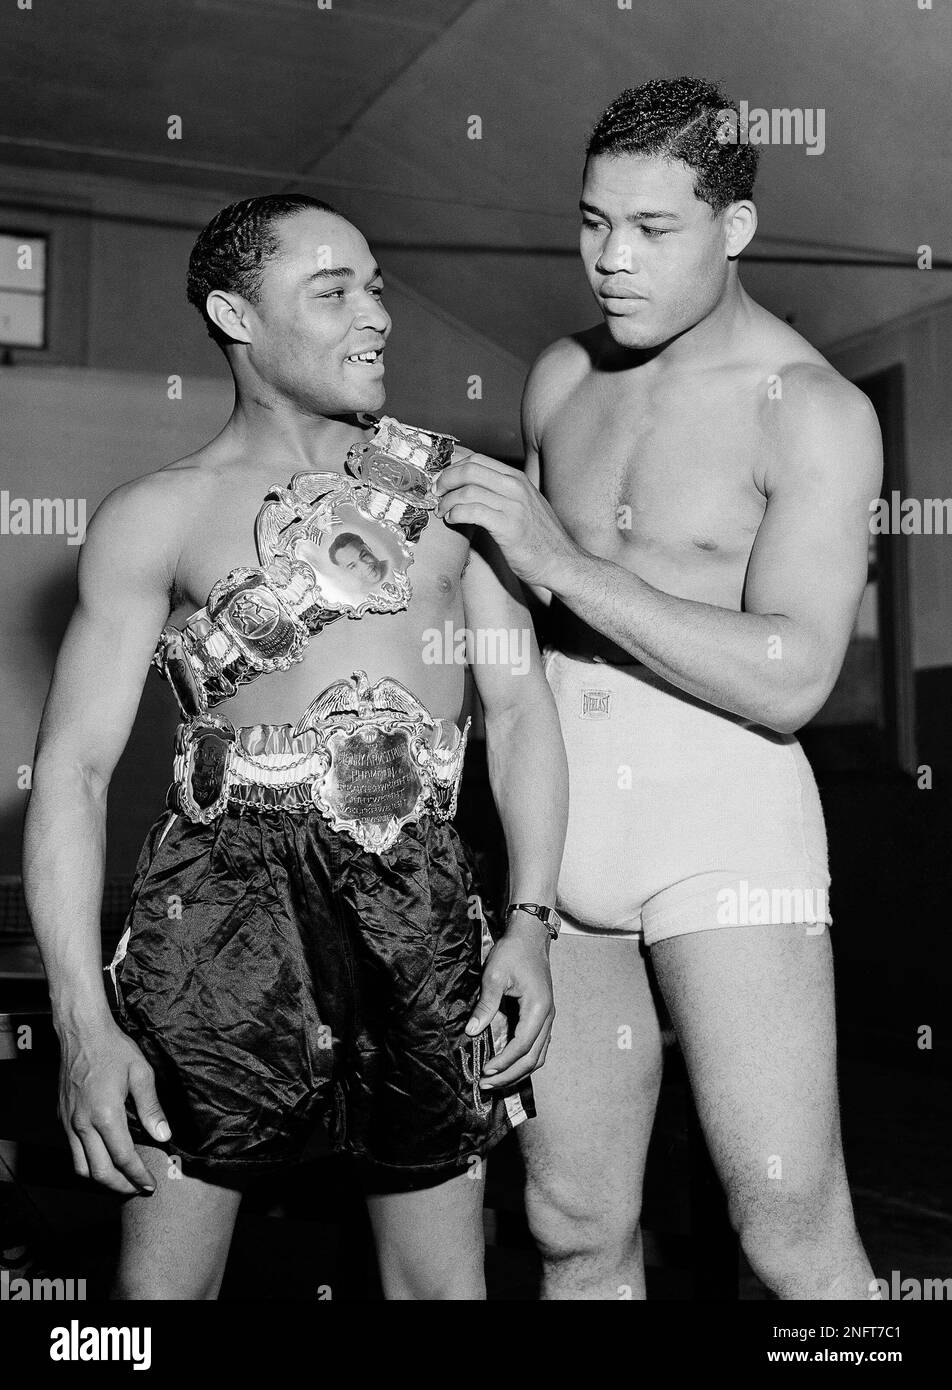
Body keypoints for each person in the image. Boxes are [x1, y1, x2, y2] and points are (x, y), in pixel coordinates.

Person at [23, 193, 567, 1300]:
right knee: (160, 1300)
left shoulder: (453, 495)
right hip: (219, 910)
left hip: (418, 896)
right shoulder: (156, 514)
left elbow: (518, 716)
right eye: (333, 290)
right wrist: (84, 1026)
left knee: (441, 1289)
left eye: (375, 286)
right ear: (235, 312)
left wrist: (532, 926)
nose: (375, 314)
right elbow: (73, 774)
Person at [436, 77, 882, 1300]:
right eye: (592, 223)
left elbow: (791, 676)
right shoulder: (560, 380)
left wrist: (563, 563)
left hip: (724, 827)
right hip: (564, 837)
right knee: (571, 1224)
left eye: (651, 230)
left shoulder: (812, 412)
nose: (609, 262)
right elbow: (512, 627)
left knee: (787, 1223)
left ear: (734, 228)